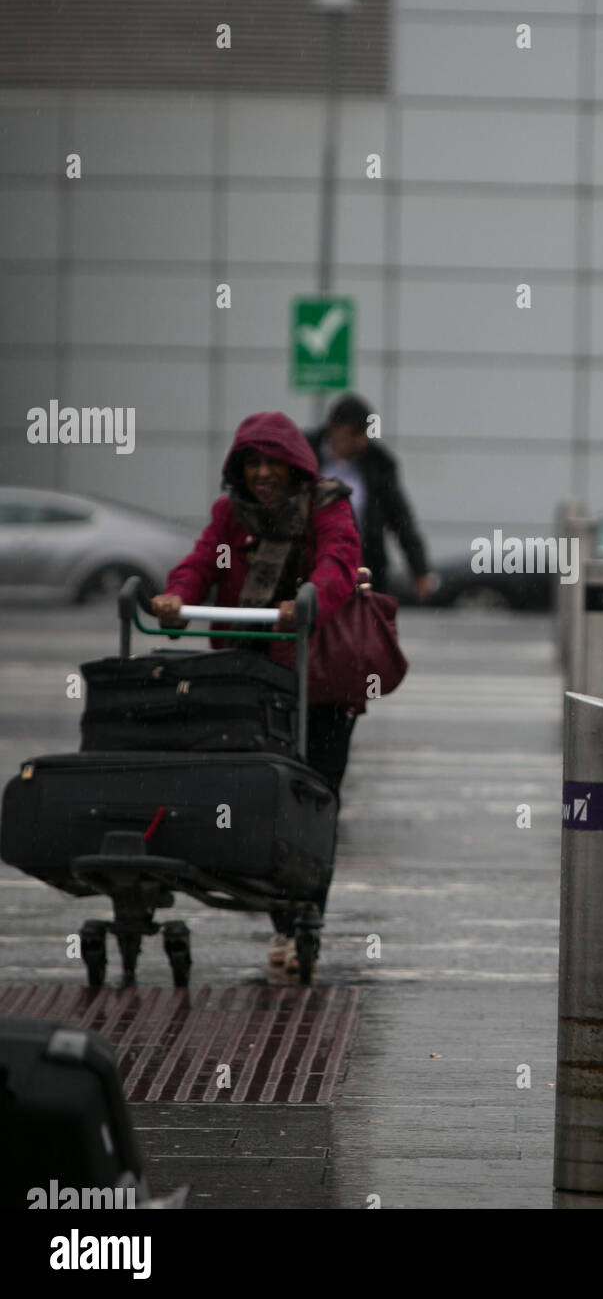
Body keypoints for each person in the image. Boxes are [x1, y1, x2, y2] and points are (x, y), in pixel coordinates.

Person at [149, 411, 362, 977]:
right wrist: (176, 595)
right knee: (260, 798)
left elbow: (340, 560)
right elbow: (200, 562)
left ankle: (305, 917)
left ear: (295, 467)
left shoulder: (327, 505)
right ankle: (281, 921)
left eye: (273, 463)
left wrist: (311, 597)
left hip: (318, 684)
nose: (263, 473)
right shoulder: (229, 514)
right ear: (237, 470)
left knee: (314, 800)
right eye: (252, 463)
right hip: (249, 681)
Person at [305, 395, 433, 601]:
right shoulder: (304, 453)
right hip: (310, 562)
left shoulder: (377, 463)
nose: (360, 442)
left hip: (365, 565)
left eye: (364, 434)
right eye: (353, 434)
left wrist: (419, 569)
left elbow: (400, 518)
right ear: (333, 428)